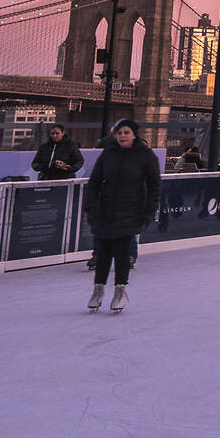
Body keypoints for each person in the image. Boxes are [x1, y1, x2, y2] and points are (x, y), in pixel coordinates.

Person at [83, 119, 161, 314]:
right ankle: (98, 290)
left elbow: (154, 187)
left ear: (134, 135)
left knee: (121, 252)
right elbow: (94, 183)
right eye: (119, 133)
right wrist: (91, 208)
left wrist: (147, 213)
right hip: (105, 209)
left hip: (131, 210)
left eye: (126, 132)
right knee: (102, 252)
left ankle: (120, 291)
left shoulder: (145, 156)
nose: (122, 136)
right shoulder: (108, 154)